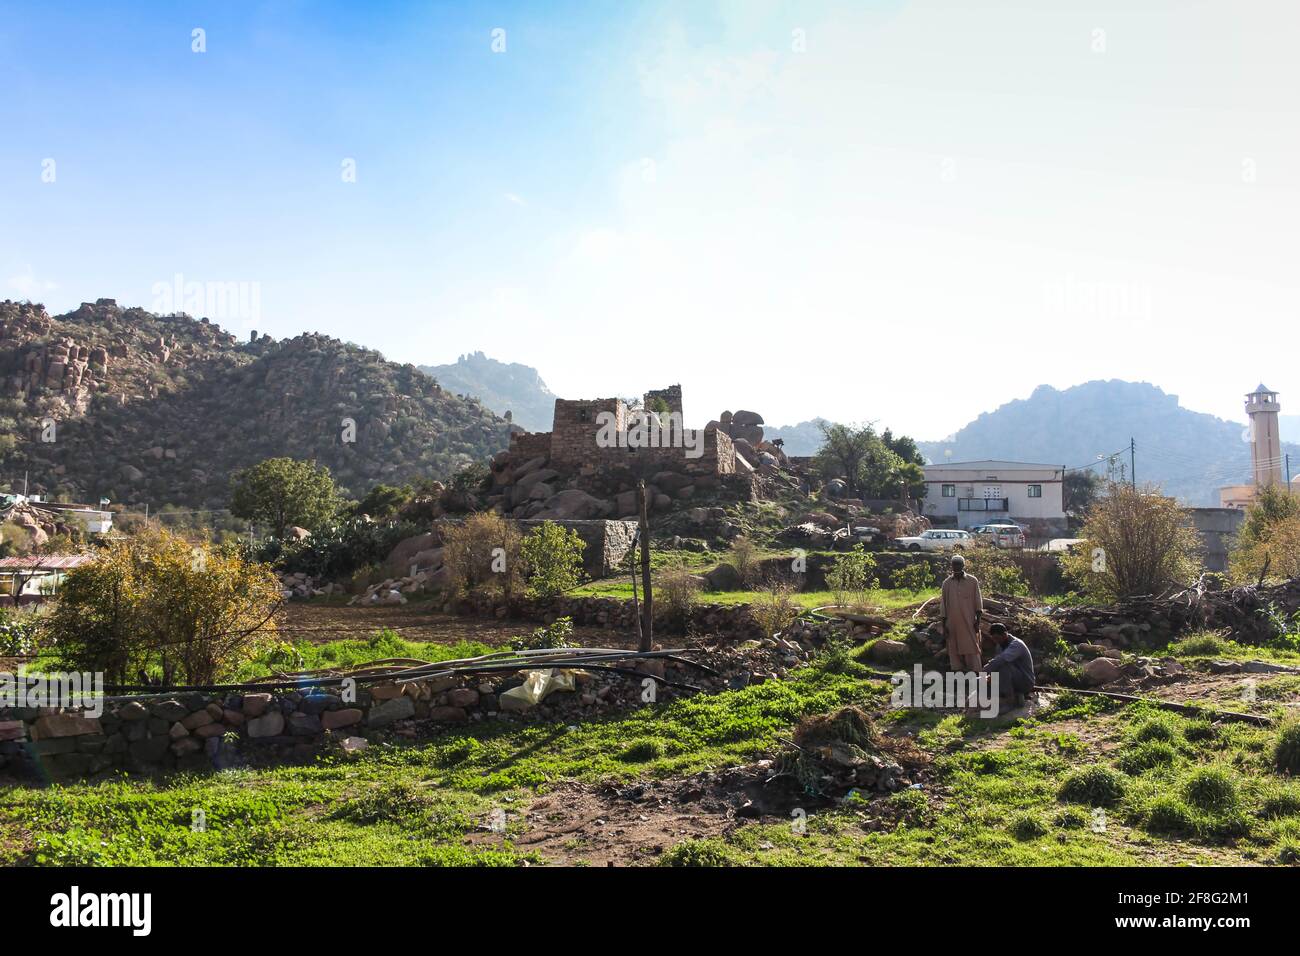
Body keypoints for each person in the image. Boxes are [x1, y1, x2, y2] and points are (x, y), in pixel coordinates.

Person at [937, 553, 982, 671]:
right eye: (954, 565)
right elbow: (943, 605)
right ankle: (957, 672)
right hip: (952, 623)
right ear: (951, 566)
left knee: (972, 647)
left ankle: (976, 671)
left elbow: (978, 603)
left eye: (958, 564)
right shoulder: (946, 583)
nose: (956, 567)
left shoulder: (972, 581)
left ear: (963, 565)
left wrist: (978, 622)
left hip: (969, 621)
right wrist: (944, 625)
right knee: (953, 648)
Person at [984, 622, 1035, 708]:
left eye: (997, 638)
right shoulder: (999, 646)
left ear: (1005, 635)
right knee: (982, 682)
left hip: (1025, 681)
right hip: (1011, 679)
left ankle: (1010, 701)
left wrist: (985, 669)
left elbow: (1001, 660)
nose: (995, 641)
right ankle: (1015, 695)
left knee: (1003, 665)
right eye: (993, 638)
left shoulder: (1017, 644)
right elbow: (996, 664)